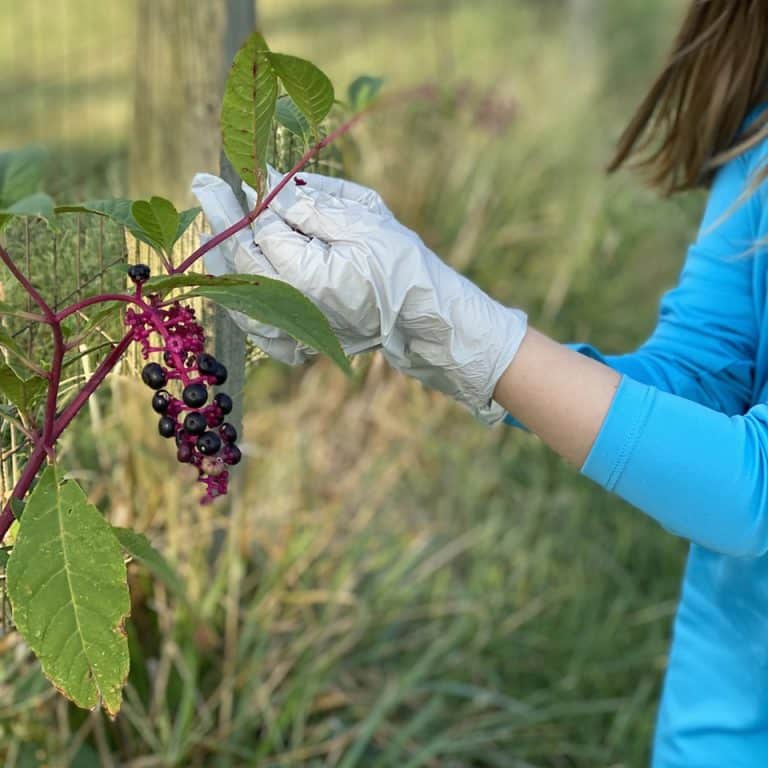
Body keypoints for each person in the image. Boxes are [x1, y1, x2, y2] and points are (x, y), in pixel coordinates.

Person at [193, 3, 768, 764]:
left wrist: (480, 341)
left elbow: (752, 488)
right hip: (717, 719)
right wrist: (432, 333)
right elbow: (699, 381)